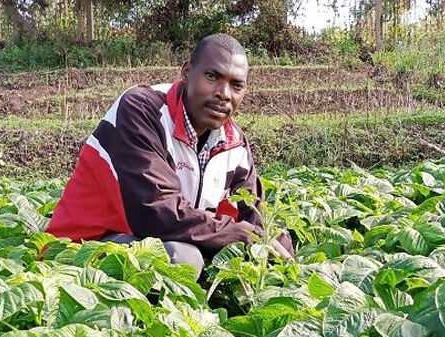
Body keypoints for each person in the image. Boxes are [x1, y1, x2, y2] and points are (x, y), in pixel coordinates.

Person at [45, 33, 293, 279]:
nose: (224, 93)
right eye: (212, 76)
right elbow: (156, 212)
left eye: (236, 85)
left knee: (274, 247)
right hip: (80, 248)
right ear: (186, 73)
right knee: (182, 260)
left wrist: (278, 248)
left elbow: (256, 214)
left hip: (153, 239)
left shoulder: (233, 142)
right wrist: (241, 235)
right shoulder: (142, 110)